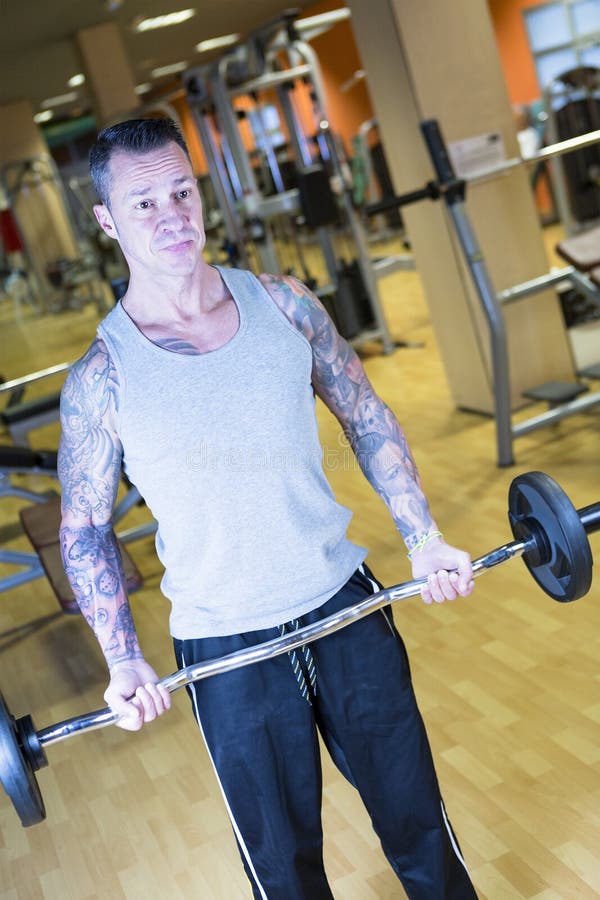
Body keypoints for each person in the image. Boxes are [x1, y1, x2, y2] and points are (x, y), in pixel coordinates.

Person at [58, 117, 478, 900]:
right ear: (107, 221)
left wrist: (423, 537)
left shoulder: (284, 305)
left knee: (420, 825)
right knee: (283, 875)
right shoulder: (101, 379)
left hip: (344, 607)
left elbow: (364, 412)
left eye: (182, 191)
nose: (172, 213)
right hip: (225, 648)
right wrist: (121, 659)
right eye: (143, 202)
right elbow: (83, 528)